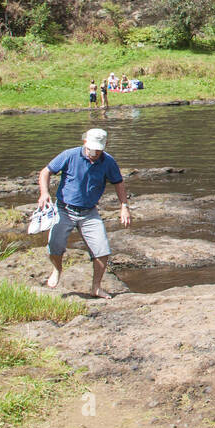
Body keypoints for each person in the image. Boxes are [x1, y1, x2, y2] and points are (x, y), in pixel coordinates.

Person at [38, 128, 131, 299]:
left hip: (89, 212)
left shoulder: (108, 162)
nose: (94, 153)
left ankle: (96, 287)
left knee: (102, 251)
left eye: (98, 150)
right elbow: (45, 172)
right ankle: (57, 269)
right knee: (55, 246)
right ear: (84, 143)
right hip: (64, 209)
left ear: (105, 146)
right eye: (91, 149)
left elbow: (118, 182)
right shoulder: (69, 155)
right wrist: (44, 193)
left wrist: (124, 206)